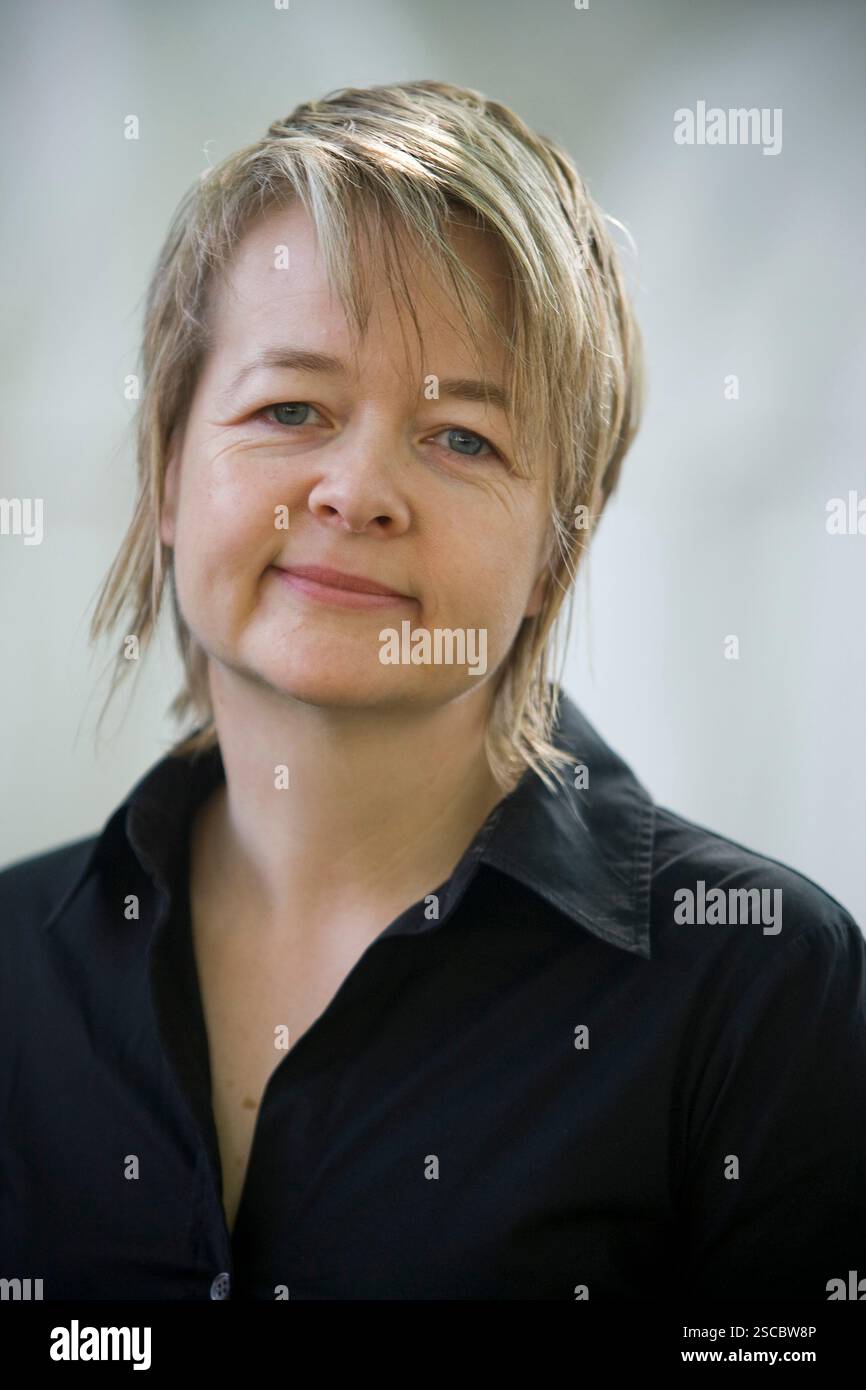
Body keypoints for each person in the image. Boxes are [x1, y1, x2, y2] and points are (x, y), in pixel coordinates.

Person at [1, 80, 864, 1302]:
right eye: (289, 408)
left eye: (462, 437)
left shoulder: (759, 987)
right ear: (166, 476)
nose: (357, 491)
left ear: (554, 551)